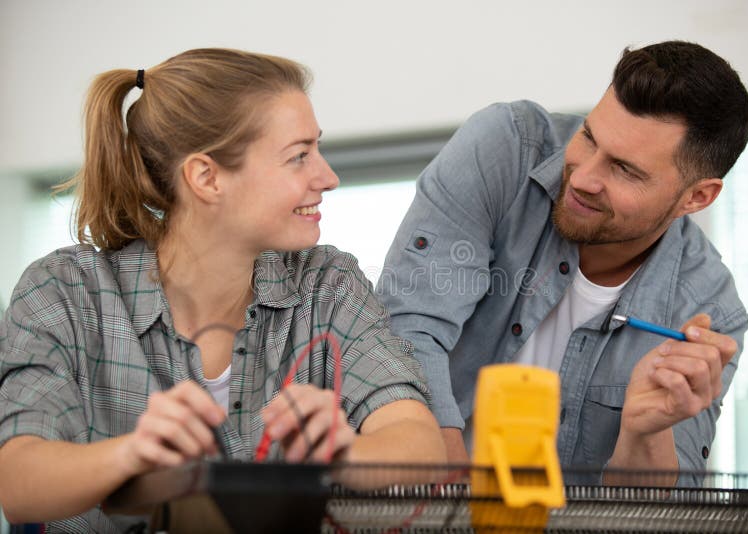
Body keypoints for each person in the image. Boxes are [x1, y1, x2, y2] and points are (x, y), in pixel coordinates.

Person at [0, 48, 445, 531]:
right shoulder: (64, 293)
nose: (327, 177)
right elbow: (19, 486)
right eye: (298, 157)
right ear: (207, 177)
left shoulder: (328, 285)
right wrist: (133, 452)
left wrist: (344, 455)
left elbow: (418, 445)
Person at [377, 41, 748, 486]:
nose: (582, 177)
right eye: (589, 137)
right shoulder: (506, 147)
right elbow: (408, 326)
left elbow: (662, 513)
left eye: (625, 170)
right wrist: (455, 504)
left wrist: (645, 434)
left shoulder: (710, 316)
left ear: (697, 197)